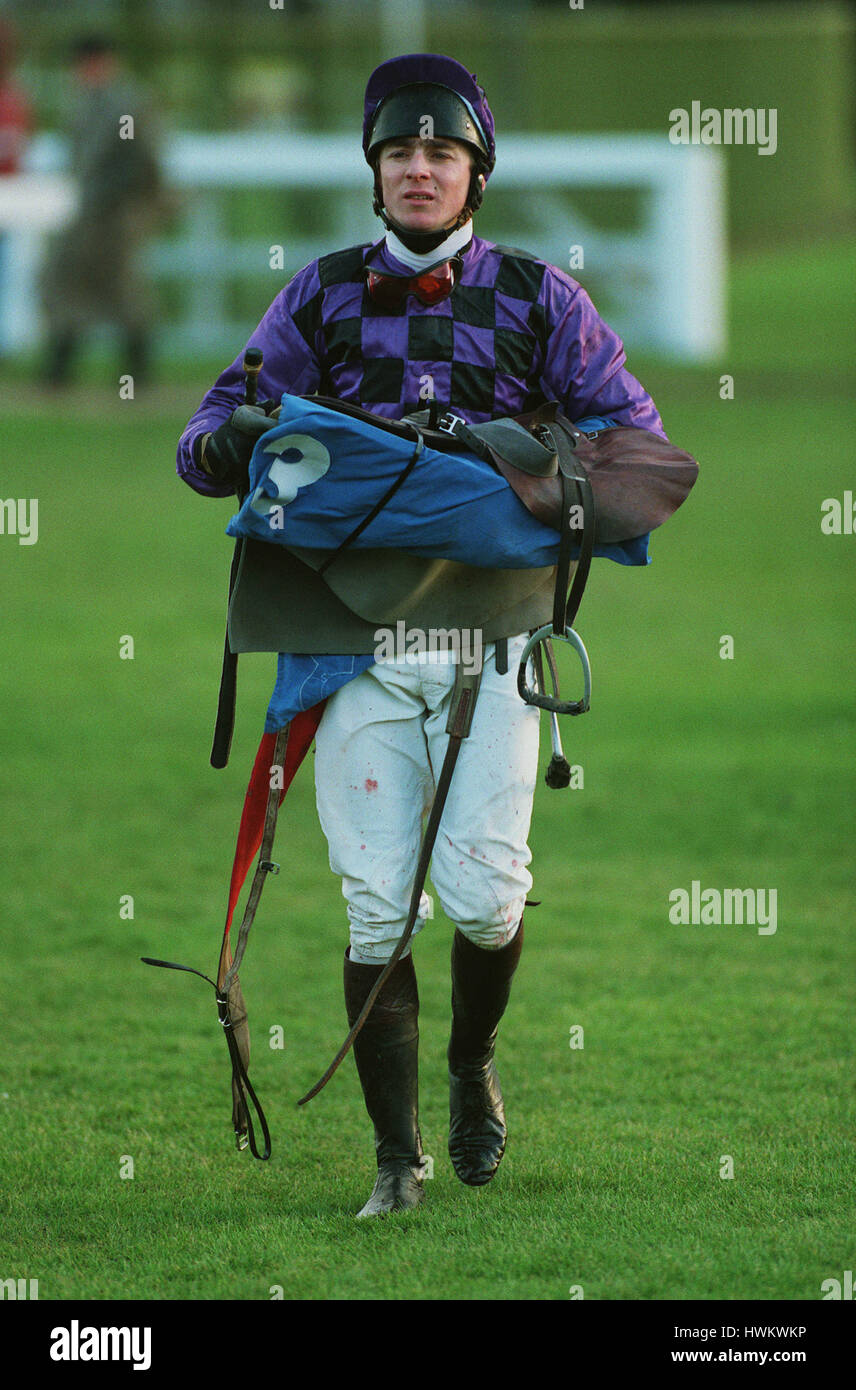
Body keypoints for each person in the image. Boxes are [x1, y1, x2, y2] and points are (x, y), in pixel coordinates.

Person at [177, 53, 670, 1219]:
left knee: (490, 893)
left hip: (496, 643)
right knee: (375, 904)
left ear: (475, 172)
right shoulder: (319, 294)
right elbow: (202, 442)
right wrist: (237, 438)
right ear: (375, 168)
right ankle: (396, 1161)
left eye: (441, 153)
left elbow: (638, 447)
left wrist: (520, 467)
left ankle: (468, 1068)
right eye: (399, 151)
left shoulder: (542, 298)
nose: (417, 169)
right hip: (347, 641)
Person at [41, 35, 166, 387]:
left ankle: (135, 370)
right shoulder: (85, 103)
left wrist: (119, 198)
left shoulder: (126, 103)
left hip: (119, 210)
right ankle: (60, 367)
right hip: (90, 210)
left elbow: (143, 160)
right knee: (66, 280)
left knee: (121, 287)